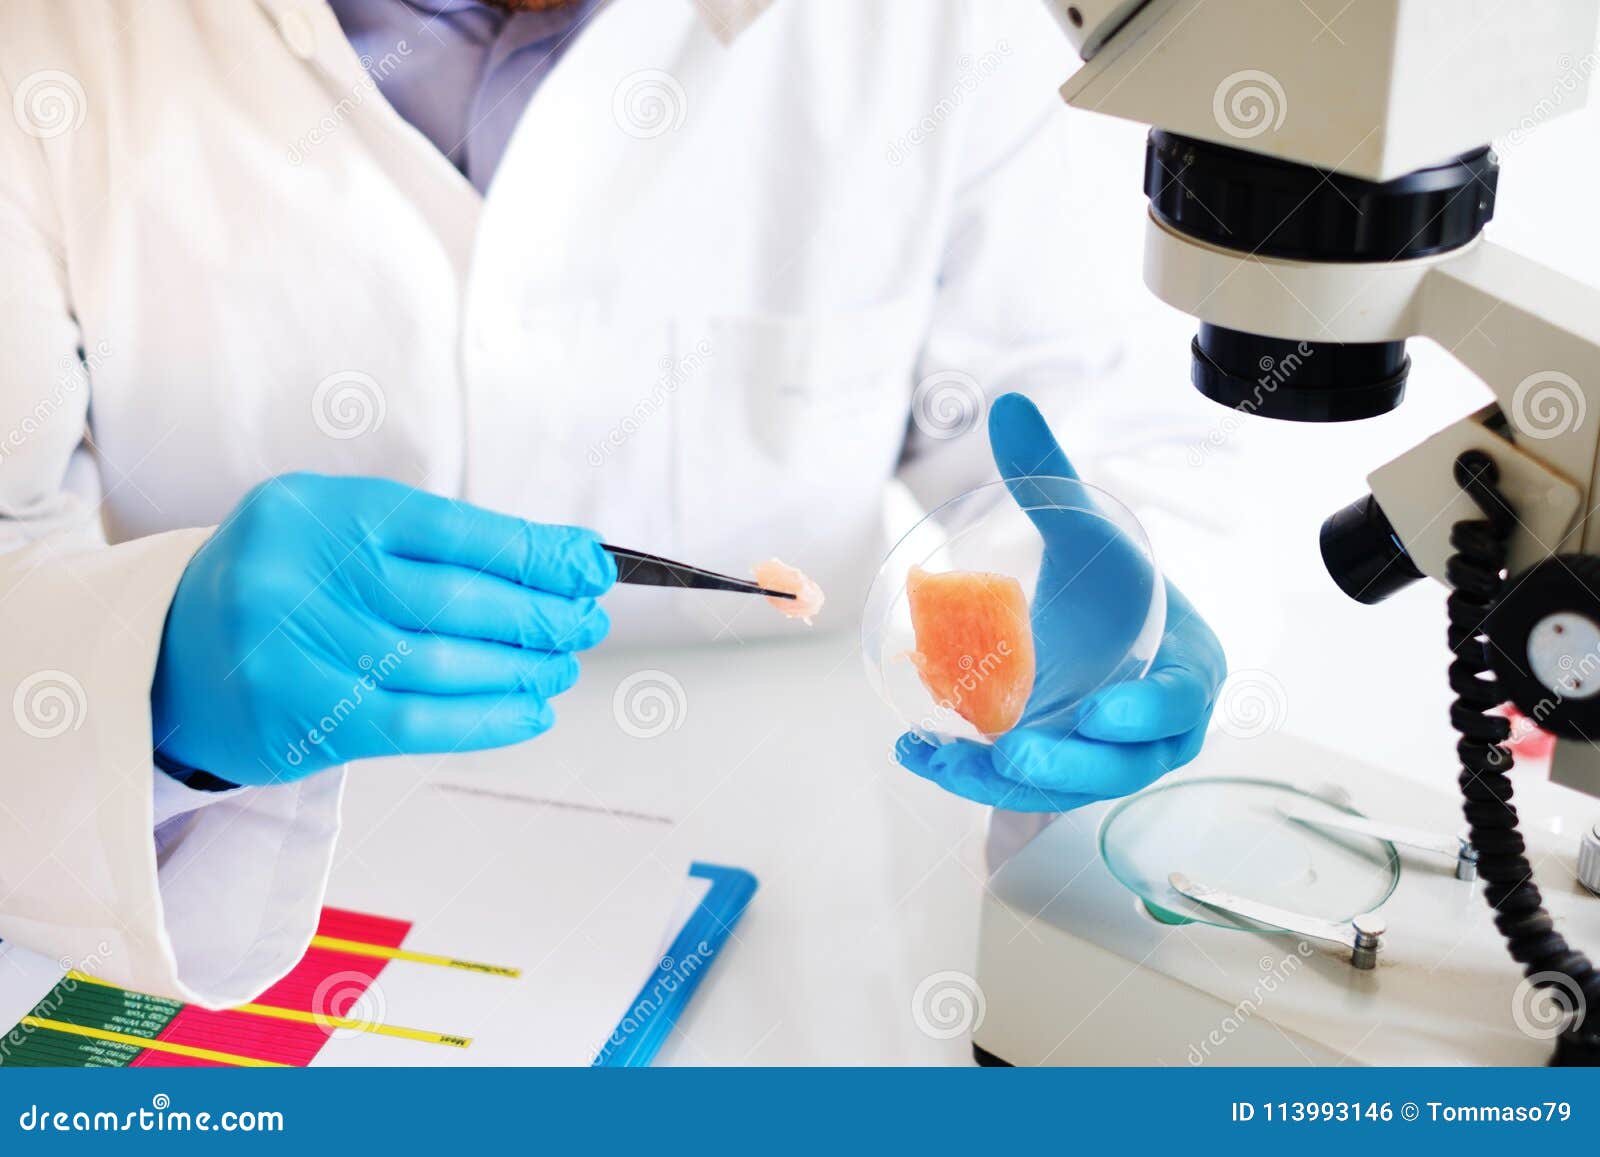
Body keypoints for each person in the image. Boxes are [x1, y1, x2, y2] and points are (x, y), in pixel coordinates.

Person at [0, 0, 1222, 1006]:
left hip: (798, 932)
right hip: (215, 899)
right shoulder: (50, 47)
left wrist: (1122, 636)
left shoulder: (946, 32)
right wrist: (142, 681)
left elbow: (1116, 451)